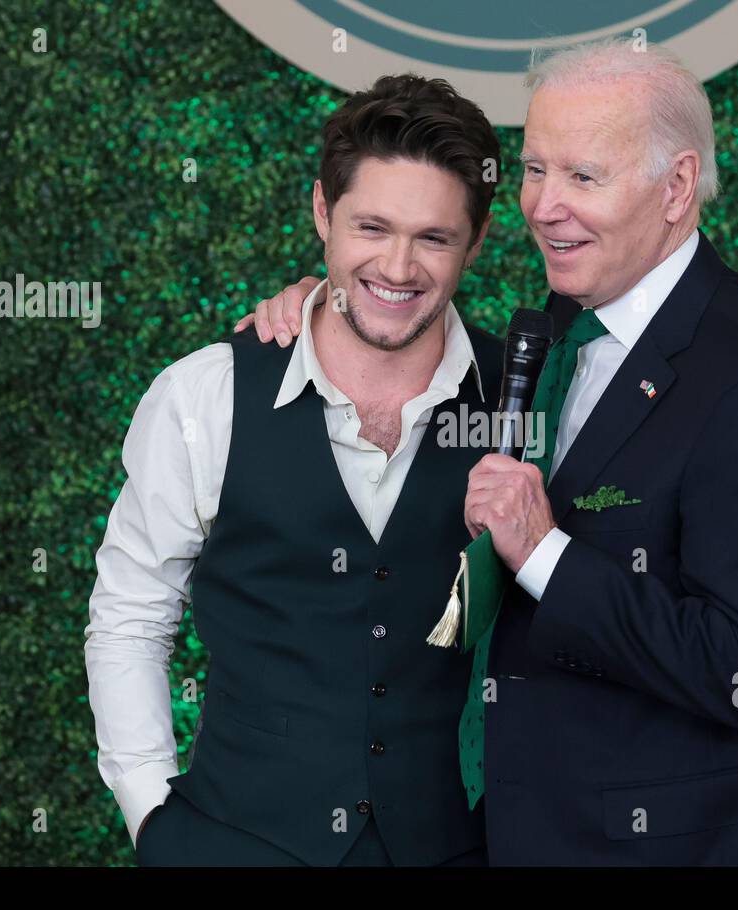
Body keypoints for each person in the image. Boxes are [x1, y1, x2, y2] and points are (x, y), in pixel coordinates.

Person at [237, 39, 738, 865]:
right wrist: (323, 308)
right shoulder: (556, 327)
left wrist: (544, 551)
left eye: (583, 177)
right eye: (533, 169)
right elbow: (415, 331)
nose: (543, 206)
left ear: (677, 188)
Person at [84, 74, 505, 866]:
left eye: (435, 238)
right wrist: (154, 818)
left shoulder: (524, 400)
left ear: (477, 241)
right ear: (321, 212)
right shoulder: (203, 395)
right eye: (371, 226)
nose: (398, 265)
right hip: (236, 840)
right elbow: (131, 619)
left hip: (457, 846)